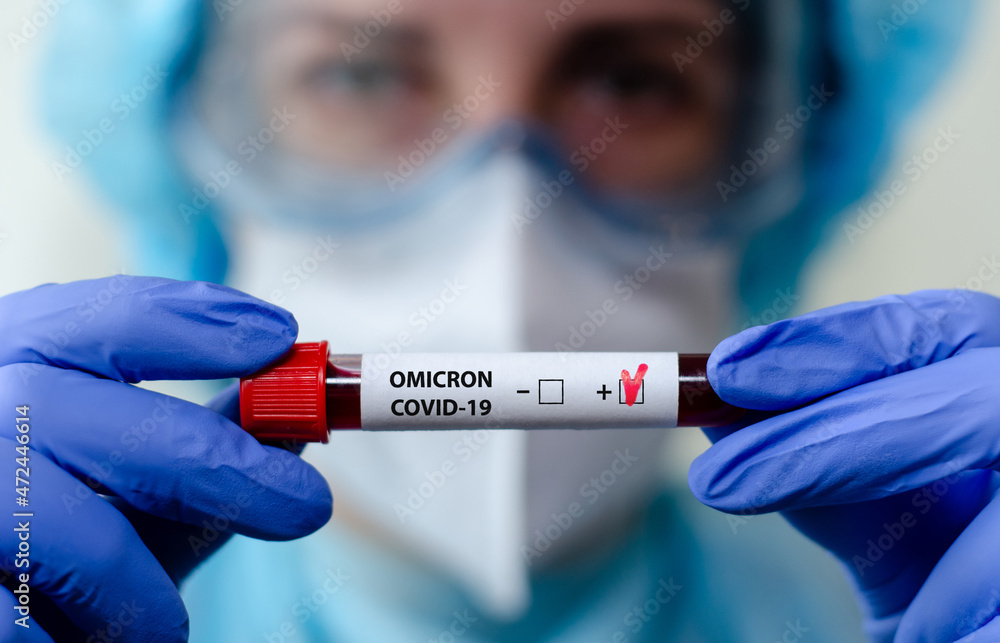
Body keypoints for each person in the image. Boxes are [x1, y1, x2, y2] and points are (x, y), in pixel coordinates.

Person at [0, 0, 987, 640]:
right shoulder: (46, 594)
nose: (505, 224)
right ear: (187, 153)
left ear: (788, 154)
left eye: (637, 81)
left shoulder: (926, 597)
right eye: (358, 72)